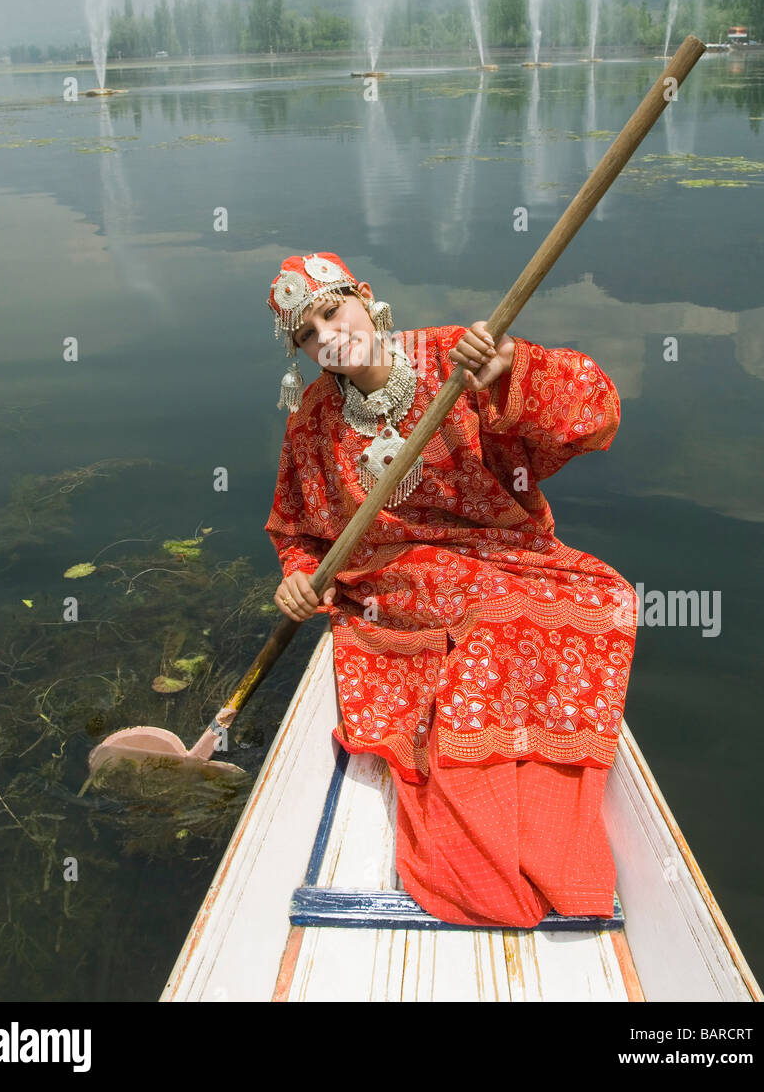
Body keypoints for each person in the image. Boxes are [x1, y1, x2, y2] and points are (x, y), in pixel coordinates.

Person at [264, 251, 638, 927]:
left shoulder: (452, 359)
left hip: (504, 547)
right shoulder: (315, 419)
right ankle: (481, 835)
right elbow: (298, 528)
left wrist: (507, 370)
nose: (328, 336)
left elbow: (596, 412)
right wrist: (296, 575)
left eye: (331, 311)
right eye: (308, 334)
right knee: (494, 611)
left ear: (365, 297)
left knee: (601, 598)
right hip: (395, 570)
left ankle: (545, 810)